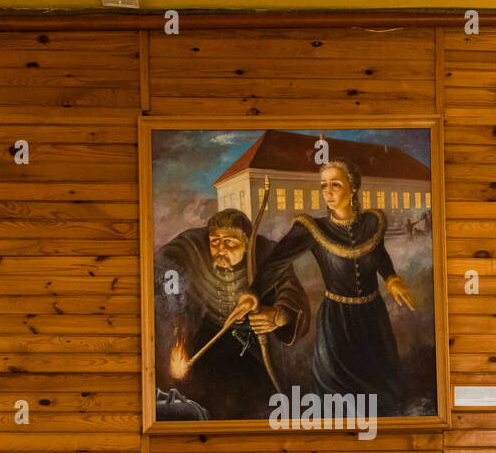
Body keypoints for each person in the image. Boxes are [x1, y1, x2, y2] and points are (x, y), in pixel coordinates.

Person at [232, 157, 414, 413]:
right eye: (324, 186)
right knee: (336, 391)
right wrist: (254, 292)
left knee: (381, 388)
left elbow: (379, 253)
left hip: (373, 318)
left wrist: (392, 278)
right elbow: (276, 263)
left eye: (335, 185)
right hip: (337, 322)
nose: (328, 192)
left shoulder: (372, 223)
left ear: (352, 188)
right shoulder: (312, 229)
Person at [154, 208, 308, 420]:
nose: (220, 249)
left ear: (246, 244)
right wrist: (177, 340)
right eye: (215, 241)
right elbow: (167, 280)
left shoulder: (266, 254)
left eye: (230, 242)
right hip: (205, 348)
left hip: (250, 351)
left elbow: (291, 296)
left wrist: (277, 316)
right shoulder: (193, 249)